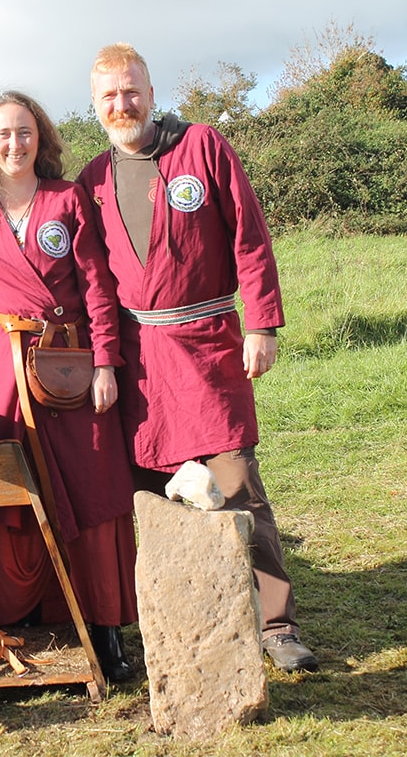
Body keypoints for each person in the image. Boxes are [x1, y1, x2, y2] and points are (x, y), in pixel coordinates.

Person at [77, 43, 319, 672]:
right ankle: (174, 618)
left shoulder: (203, 147)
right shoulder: (91, 181)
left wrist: (261, 322)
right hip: (138, 360)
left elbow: (249, 235)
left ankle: (276, 621)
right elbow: (92, 280)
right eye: (109, 96)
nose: (122, 104)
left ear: (152, 93)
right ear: (95, 105)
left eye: (131, 91)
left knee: (236, 483)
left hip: (209, 344)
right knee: (149, 493)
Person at [0, 91, 138, 682]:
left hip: (66, 358)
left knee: (94, 488)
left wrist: (105, 362)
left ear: (40, 138)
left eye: (24, 132)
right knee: (8, 494)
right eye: (3, 134)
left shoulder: (65, 198)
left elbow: (97, 286)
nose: (14, 144)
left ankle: (104, 627)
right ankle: (13, 621)